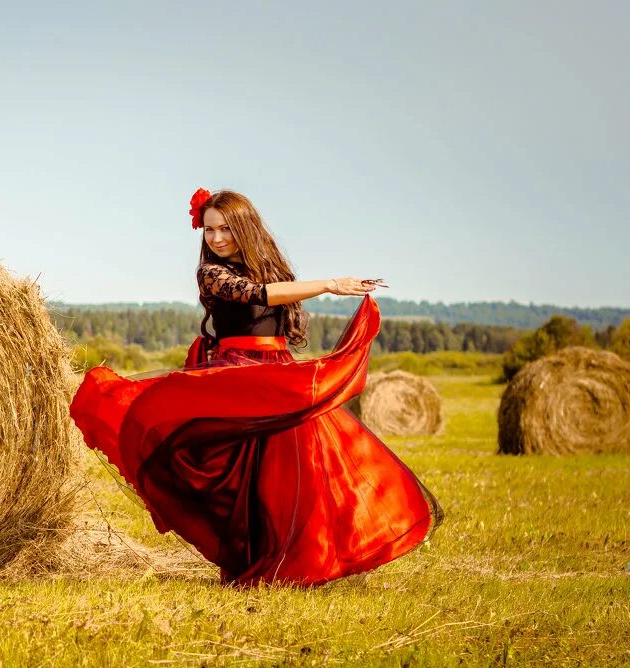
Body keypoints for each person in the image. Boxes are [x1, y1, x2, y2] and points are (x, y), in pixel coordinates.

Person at [68, 188, 443, 587]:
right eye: (209, 230)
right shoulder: (212, 273)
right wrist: (331, 284)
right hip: (237, 377)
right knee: (245, 478)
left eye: (224, 229)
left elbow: (274, 299)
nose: (215, 238)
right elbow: (255, 296)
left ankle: (306, 561)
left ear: (244, 227)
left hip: (277, 373)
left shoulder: (272, 268)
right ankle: (259, 561)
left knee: (300, 472)